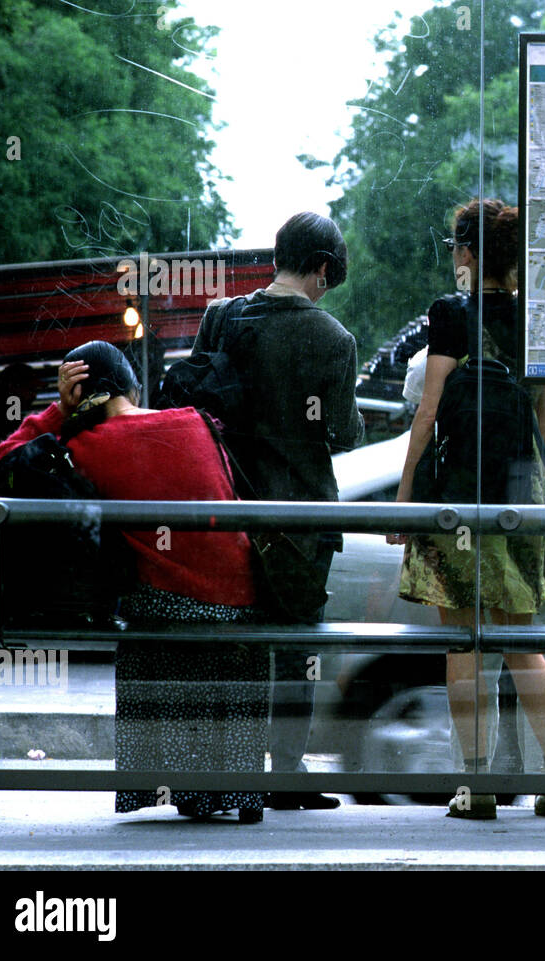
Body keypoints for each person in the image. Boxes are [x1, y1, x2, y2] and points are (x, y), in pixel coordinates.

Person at [0, 341, 268, 823]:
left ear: (82, 395)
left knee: (145, 624)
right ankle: (239, 793)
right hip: (243, 600)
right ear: (132, 385)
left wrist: (59, 410)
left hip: (170, 610)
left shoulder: (86, 447)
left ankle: (186, 790)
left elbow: (5, 459)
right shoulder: (192, 421)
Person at [387, 199, 545, 821]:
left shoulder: (450, 315)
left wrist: (406, 498)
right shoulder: (537, 320)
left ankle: (477, 784)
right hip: (518, 494)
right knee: (521, 641)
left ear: (466, 252)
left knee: (464, 642)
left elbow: (427, 412)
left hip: (455, 504)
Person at [190, 211, 364, 810]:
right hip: (302, 519)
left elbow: (194, 412)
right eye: (329, 278)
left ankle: (227, 775)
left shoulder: (221, 318)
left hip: (227, 506)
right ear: (321, 268)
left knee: (234, 643)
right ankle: (287, 775)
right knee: (297, 649)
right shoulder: (333, 339)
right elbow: (342, 433)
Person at [403, 349, 545, 815]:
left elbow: (421, 394)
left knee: (478, 653)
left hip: (494, 506)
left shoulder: (464, 329)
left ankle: (475, 784)